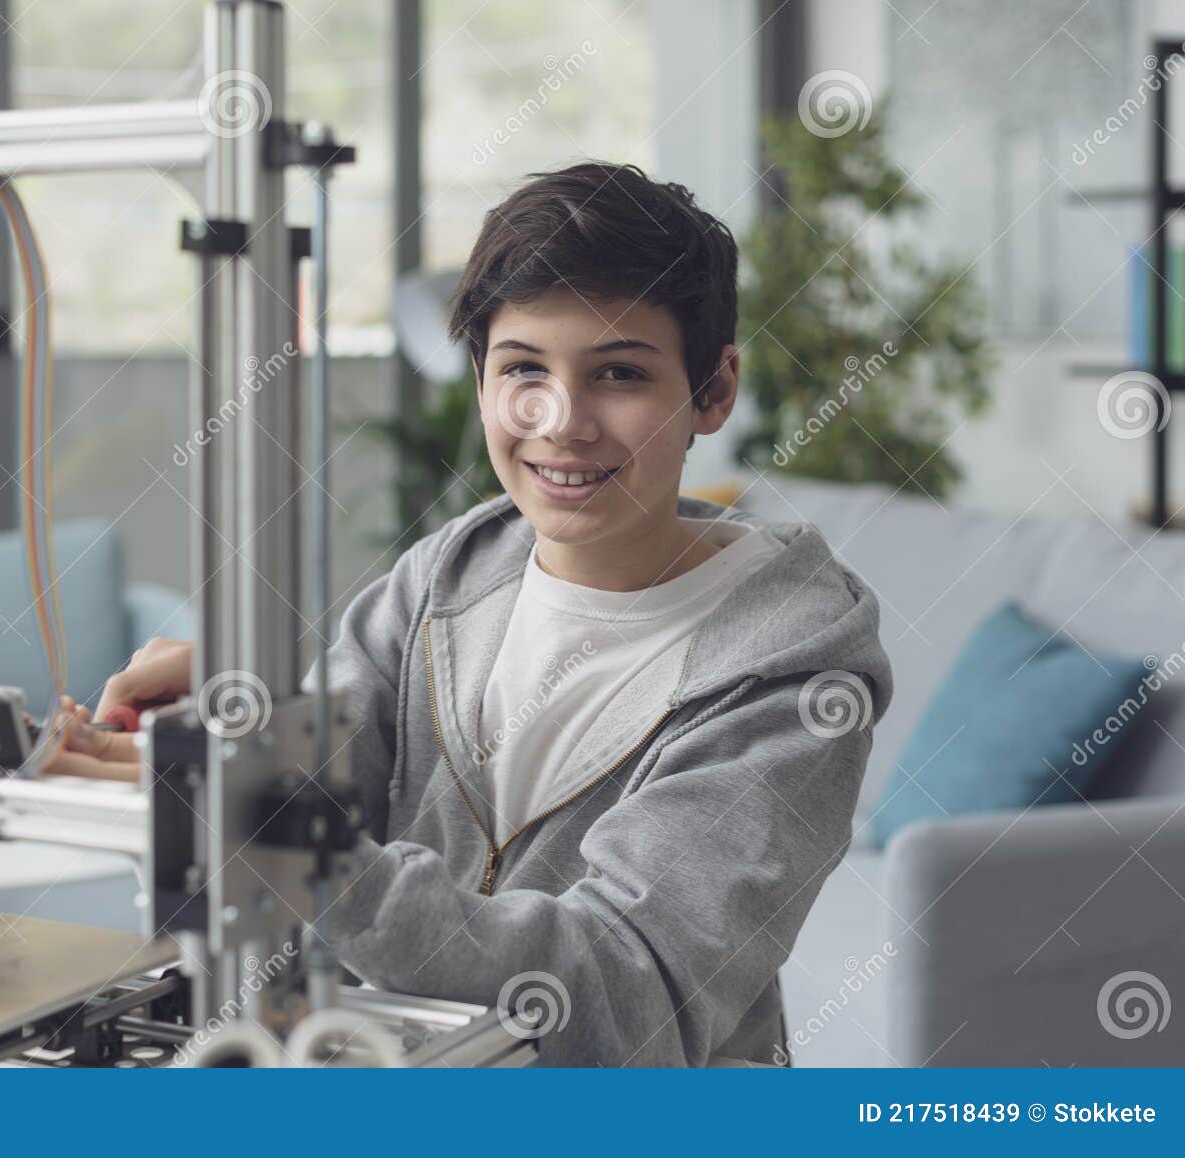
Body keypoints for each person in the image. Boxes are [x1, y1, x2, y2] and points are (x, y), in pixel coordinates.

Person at [48, 161, 893, 1066]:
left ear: (713, 392)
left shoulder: (793, 677)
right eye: (523, 368)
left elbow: (624, 996)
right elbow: (334, 764)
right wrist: (232, 713)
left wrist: (281, 837)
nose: (562, 422)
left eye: (618, 373)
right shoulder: (447, 576)